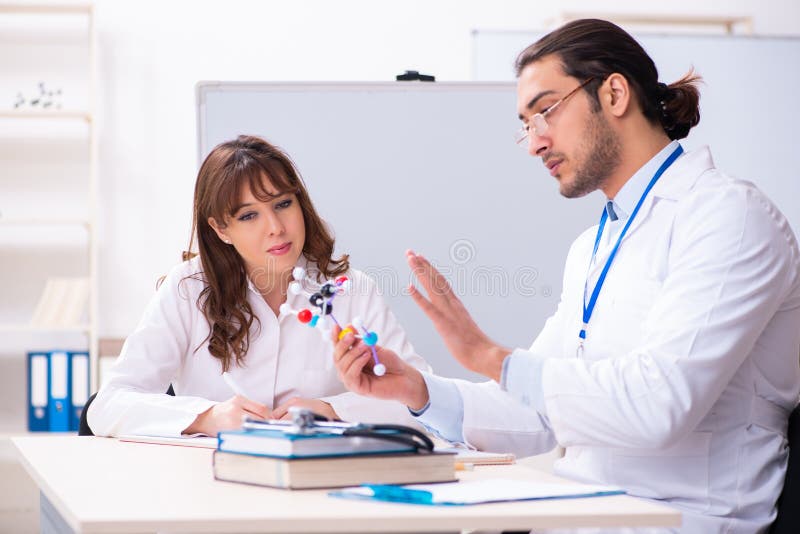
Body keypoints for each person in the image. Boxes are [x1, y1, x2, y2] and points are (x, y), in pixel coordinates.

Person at [331, 19, 800, 534]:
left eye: (546, 111)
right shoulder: (593, 245)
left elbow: (658, 406)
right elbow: (539, 414)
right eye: (526, 124)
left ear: (615, 93)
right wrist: (417, 391)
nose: (535, 142)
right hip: (585, 513)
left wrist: (490, 356)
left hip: (679, 520)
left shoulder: (728, 217)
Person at [88, 135, 429, 437]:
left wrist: (330, 410)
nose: (276, 228)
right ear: (221, 229)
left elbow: (422, 398)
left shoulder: (350, 290)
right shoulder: (187, 289)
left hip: (321, 483)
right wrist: (208, 417)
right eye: (249, 216)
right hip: (211, 487)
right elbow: (109, 405)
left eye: (283, 204)